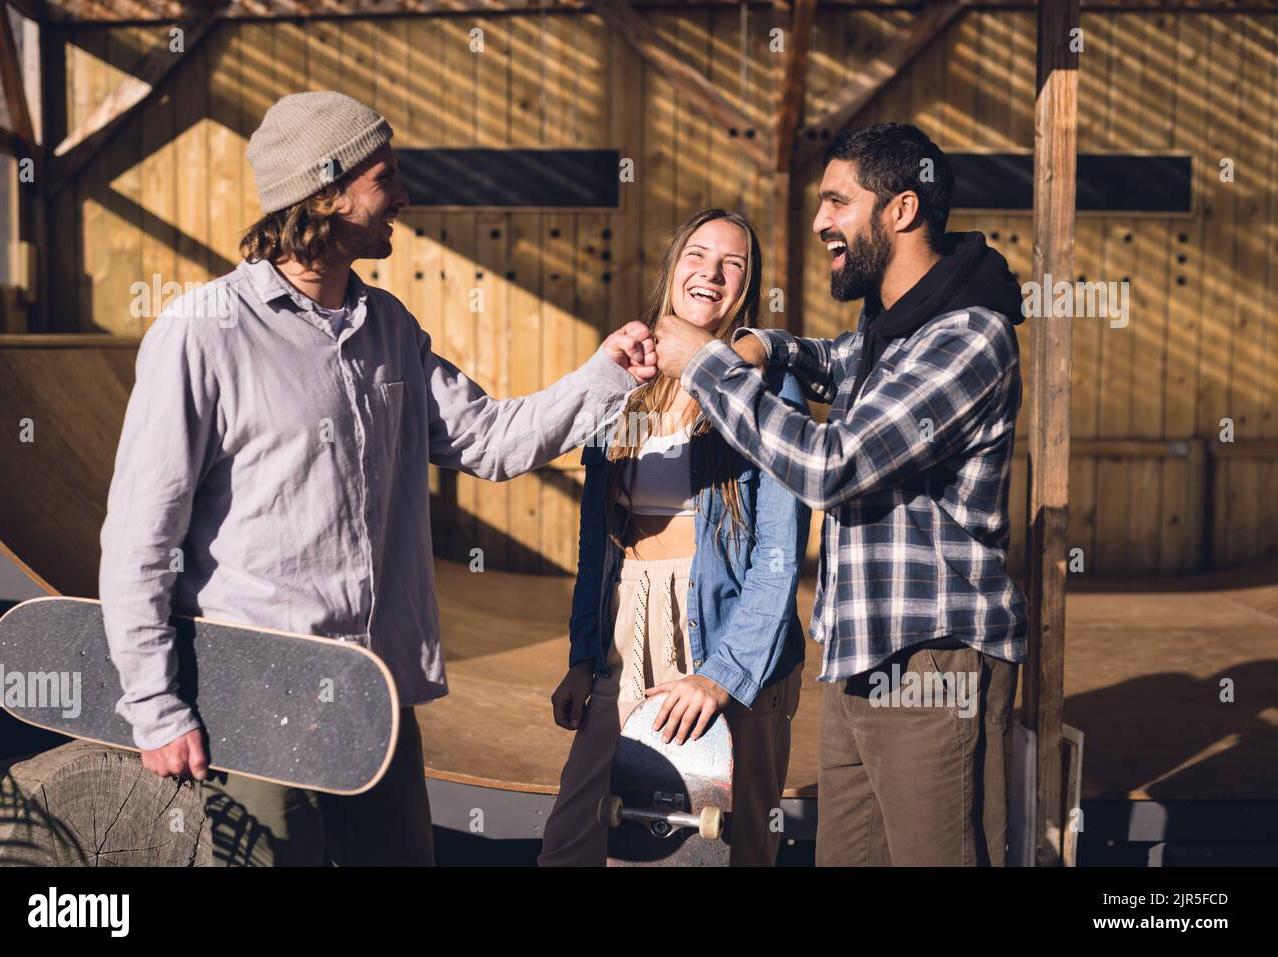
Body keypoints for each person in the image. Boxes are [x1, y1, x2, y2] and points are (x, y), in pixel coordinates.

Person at [98, 91, 656, 866]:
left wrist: (602, 375)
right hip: (255, 697)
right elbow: (139, 538)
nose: (403, 196)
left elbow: (489, 439)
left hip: (374, 696)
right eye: (385, 177)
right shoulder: (202, 334)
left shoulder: (388, 327)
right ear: (324, 189)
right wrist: (156, 707)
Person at [652, 123, 1028, 866]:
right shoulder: (894, 330)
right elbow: (830, 359)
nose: (822, 220)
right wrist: (761, 343)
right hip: (860, 658)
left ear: (900, 210)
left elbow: (833, 465)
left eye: (837, 202)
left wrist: (706, 364)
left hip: (932, 661)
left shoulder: (968, 338)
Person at [538, 209, 811, 867]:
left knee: (725, 845)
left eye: (732, 263)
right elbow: (597, 536)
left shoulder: (769, 383)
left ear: (746, 286)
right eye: (697, 254)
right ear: (672, 266)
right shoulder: (629, 375)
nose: (711, 273)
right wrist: (583, 653)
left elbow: (780, 552)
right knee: (573, 839)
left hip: (727, 631)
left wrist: (722, 676)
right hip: (625, 628)